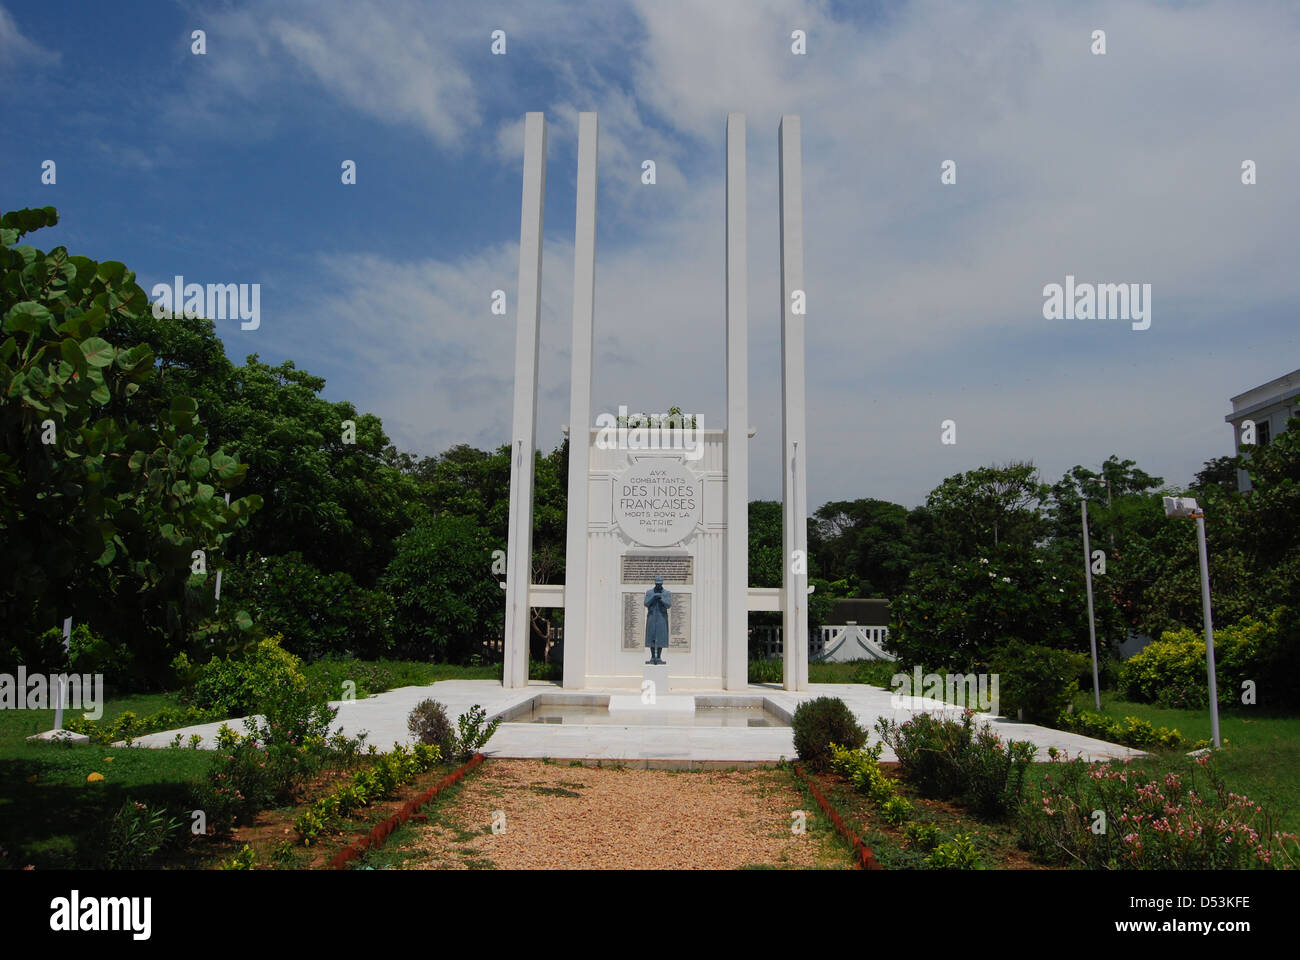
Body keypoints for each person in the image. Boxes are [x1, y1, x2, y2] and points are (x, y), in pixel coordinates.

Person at [644, 575, 671, 664]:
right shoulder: (649, 592)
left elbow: (668, 605)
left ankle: (659, 657)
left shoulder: (666, 593)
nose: (658, 586)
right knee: (651, 636)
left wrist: (661, 599)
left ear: (662, 583)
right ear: (655, 583)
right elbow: (646, 603)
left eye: (660, 584)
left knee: (661, 636)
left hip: (661, 617)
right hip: (652, 616)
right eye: (657, 584)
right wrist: (653, 597)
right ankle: (652, 657)